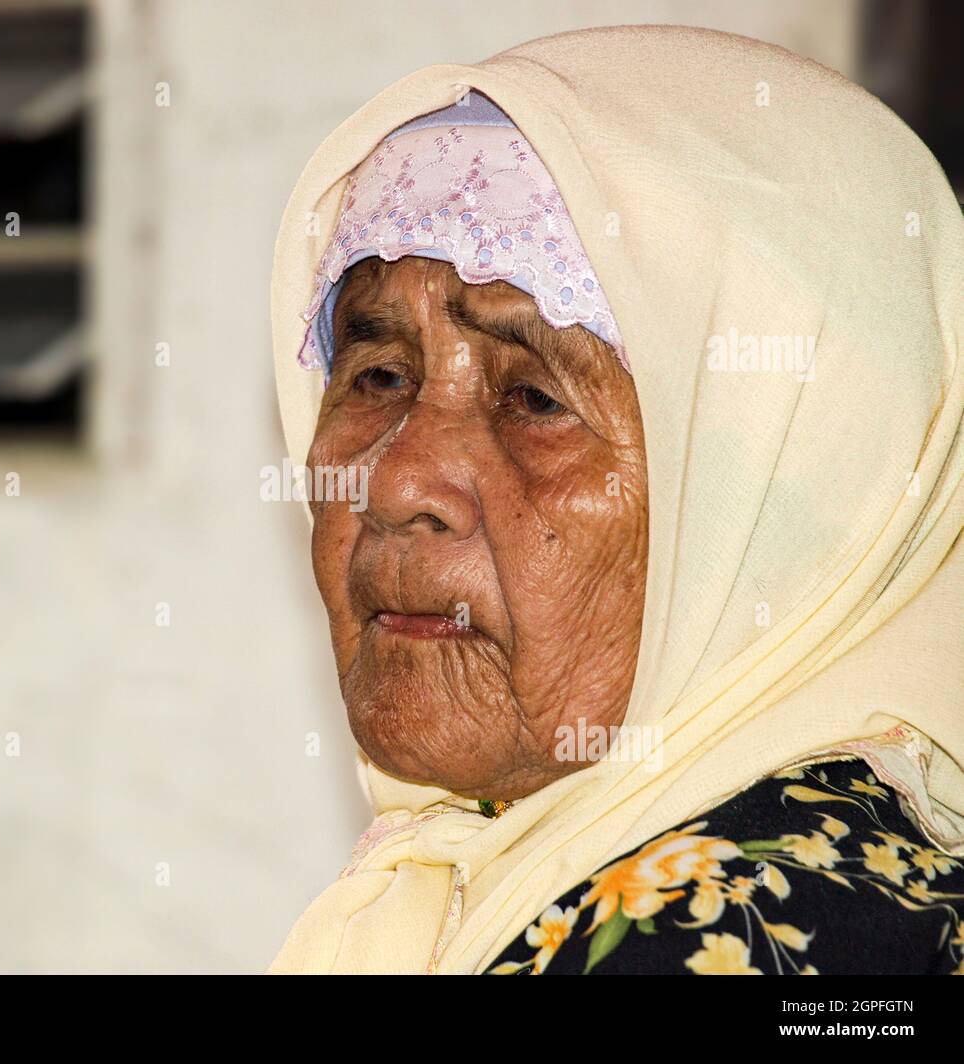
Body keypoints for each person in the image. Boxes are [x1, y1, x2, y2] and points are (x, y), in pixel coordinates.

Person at [267, 26, 964, 974]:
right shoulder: (548, 876)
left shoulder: (738, 935)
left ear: (763, 500)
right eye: (381, 376)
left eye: (535, 400)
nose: (395, 482)